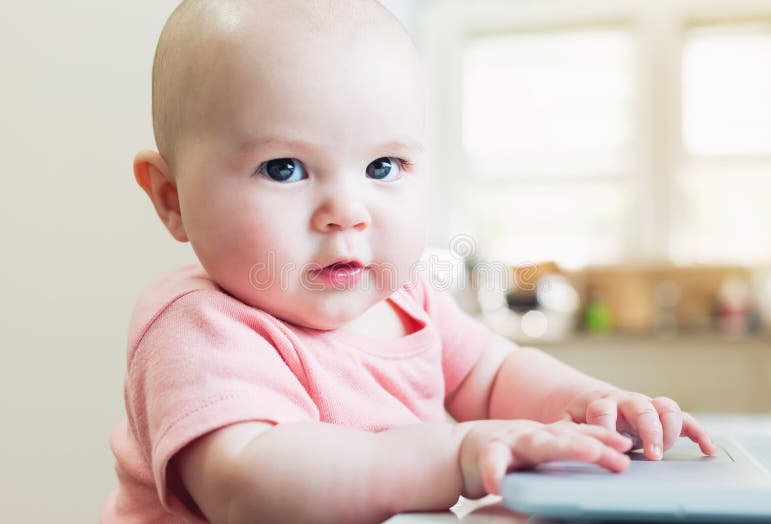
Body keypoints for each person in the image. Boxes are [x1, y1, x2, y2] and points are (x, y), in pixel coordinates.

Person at [101, 1, 715, 522]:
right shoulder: (199, 326)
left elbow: (494, 375)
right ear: (172, 199)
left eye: (382, 167)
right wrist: (454, 456)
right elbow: (246, 482)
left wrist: (591, 404)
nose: (347, 212)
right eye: (284, 168)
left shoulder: (407, 299)